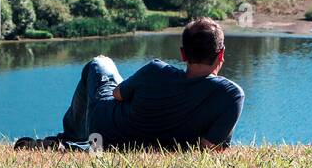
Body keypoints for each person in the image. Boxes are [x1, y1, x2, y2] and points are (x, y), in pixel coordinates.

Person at [15, 17, 245, 151]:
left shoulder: (156, 70)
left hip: (104, 129)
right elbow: (210, 148)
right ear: (222, 54)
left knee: (100, 63)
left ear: (183, 54)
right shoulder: (231, 96)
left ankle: (68, 139)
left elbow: (117, 95)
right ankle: (73, 143)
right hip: (112, 145)